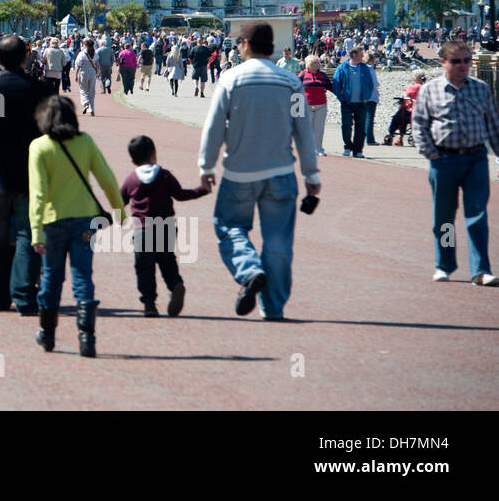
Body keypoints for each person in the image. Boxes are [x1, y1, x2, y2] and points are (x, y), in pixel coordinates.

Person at [198, 22, 321, 321]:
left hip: (239, 173)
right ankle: (273, 307)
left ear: (247, 44)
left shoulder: (231, 80)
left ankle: (249, 269)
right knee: (278, 241)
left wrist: (206, 165)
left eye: (239, 42)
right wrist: (311, 174)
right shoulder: (290, 83)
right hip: (280, 172)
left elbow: (214, 126)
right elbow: (302, 130)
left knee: (230, 227)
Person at [0, 35, 56, 315]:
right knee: (28, 234)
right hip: (32, 176)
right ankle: (25, 295)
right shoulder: (43, 92)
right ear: (26, 58)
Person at [28, 95, 124, 356]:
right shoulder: (85, 142)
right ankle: (86, 336)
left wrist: (36, 231)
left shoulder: (39, 146)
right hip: (85, 219)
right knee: (82, 275)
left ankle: (48, 334)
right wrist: (120, 211)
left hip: (52, 220)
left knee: (52, 277)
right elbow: (107, 178)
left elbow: (38, 193)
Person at [411, 41, 499, 286]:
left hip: (476, 159)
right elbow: (419, 124)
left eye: (466, 61)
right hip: (444, 160)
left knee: (477, 216)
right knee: (445, 219)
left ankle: (481, 270)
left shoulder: (481, 89)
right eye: (456, 61)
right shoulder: (430, 90)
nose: (462, 66)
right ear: (444, 63)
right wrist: (430, 152)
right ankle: (445, 265)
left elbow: (493, 123)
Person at [120, 135, 211, 317]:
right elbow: (180, 194)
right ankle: (175, 284)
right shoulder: (165, 175)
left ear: (132, 160)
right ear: (154, 154)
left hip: (142, 230)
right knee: (167, 260)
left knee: (144, 268)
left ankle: (149, 304)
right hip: (166, 227)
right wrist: (202, 189)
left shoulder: (131, 179)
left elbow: (119, 200)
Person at [332, 45, 376, 158]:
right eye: (361, 54)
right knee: (346, 125)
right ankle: (348, 146)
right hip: (347, 102)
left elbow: (370, 84)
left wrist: (367, 96)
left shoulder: (365, 68)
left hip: (362, 102)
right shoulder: (342, 68)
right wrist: (341, 98)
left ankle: (358, 150)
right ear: (354, 55)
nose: (363, 56)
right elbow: (336, 84)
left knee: (360, 127)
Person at [300, 55, 335, 156]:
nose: (317, 65)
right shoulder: (302, 75)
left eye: (317, 63)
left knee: (319, 128)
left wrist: (342, 96)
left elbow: (330, 87)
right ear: (308, 65)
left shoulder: (323, 76)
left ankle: (319, 148)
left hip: (321, 105)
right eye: (314, 63)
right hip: (307, 105)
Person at [386, 70, 426, 145]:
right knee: (403, 117)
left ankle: (392, 134)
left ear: (415, 78)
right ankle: (401, 139)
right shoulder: (426, 87)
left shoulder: (413, 87)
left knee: (398, 118)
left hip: (410, 111)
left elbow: (405, 97)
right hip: (421, 112)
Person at [74, 38, 98, 115]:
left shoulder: (81, 54)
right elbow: (97, 65)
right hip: (92, 72)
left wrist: (76, 75)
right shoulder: (95, 53)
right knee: (92, 91)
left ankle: (86, 104)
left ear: (85, 45)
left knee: (83, 90)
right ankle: (92, 108)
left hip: (84, 72)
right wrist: (99, 73)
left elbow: (78, 65)